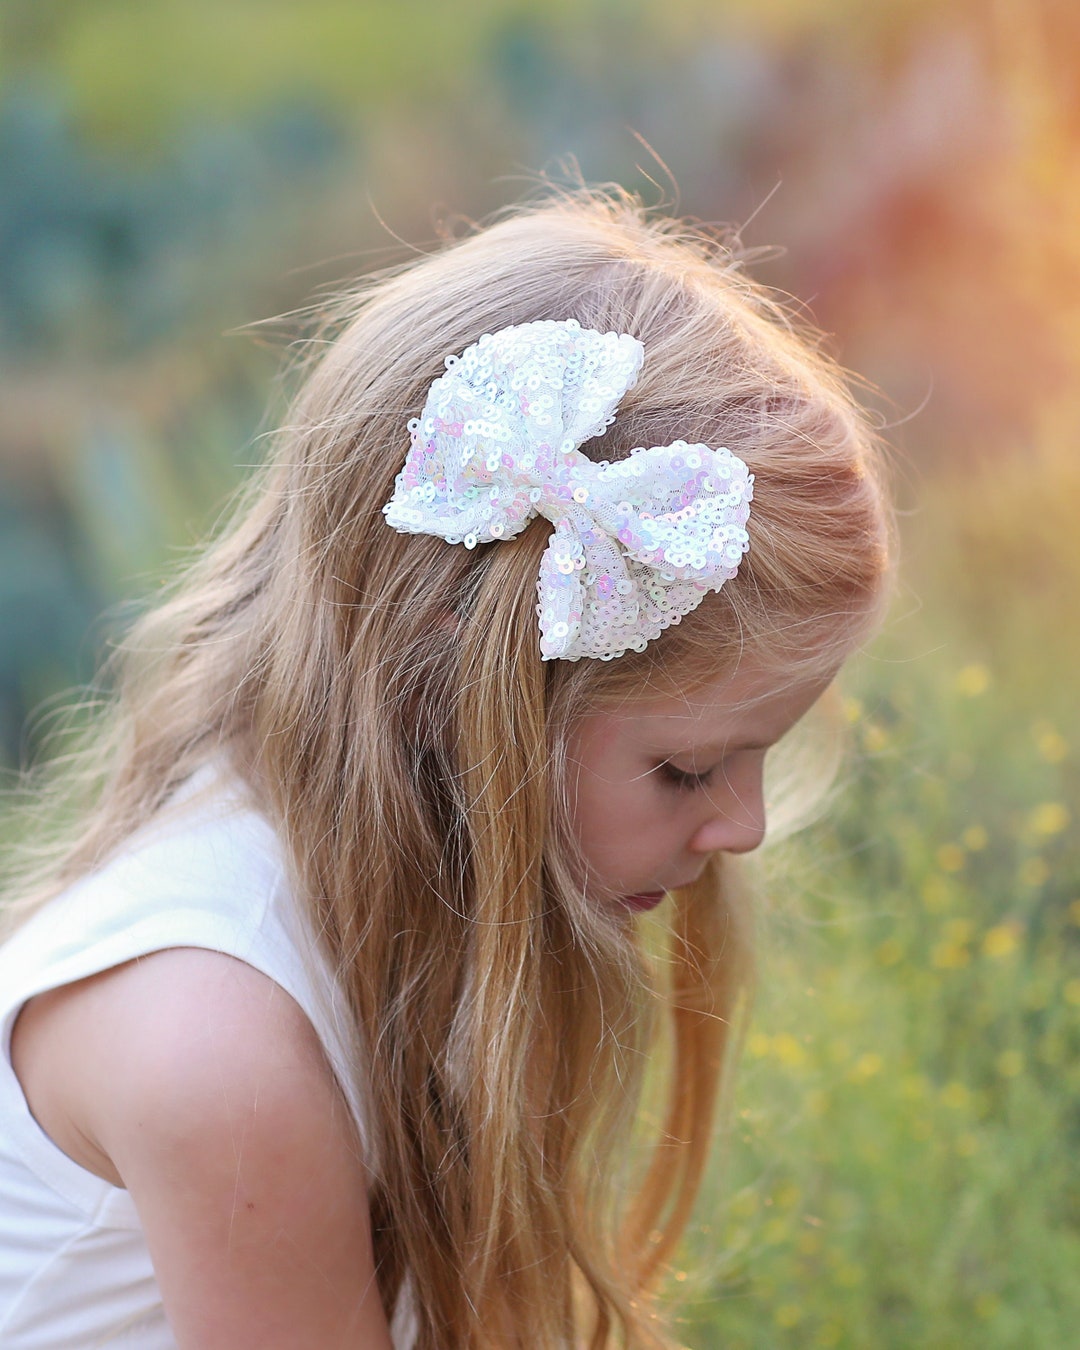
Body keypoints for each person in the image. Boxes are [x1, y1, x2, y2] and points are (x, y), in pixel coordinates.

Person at [0, 190, 892, 1349]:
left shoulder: (389, 889)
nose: (747, 828)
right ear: (442, 691)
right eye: (689, 768)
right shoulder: (218, 1051)